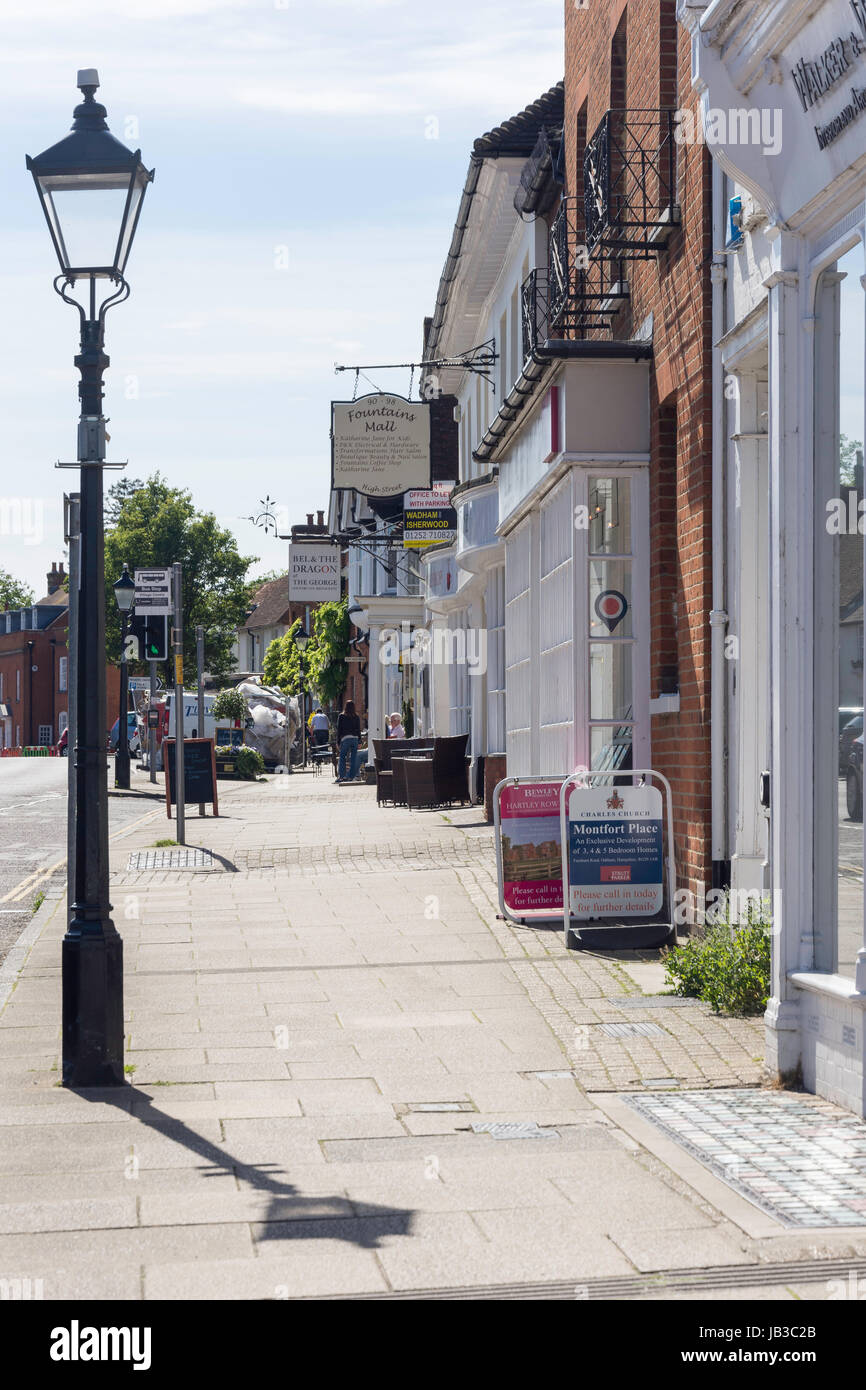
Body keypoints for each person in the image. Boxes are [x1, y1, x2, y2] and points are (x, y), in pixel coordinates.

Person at [336, 700, 362, 783]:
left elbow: (339, 730)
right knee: (353, 758)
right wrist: (360, 741)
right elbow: (358, 729)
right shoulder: (356, 716)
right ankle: (351, 776)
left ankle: (342, 776)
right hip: (355, 738)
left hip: (345, 738)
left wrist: (338, 742)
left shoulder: (341, 716)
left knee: (342, 757)